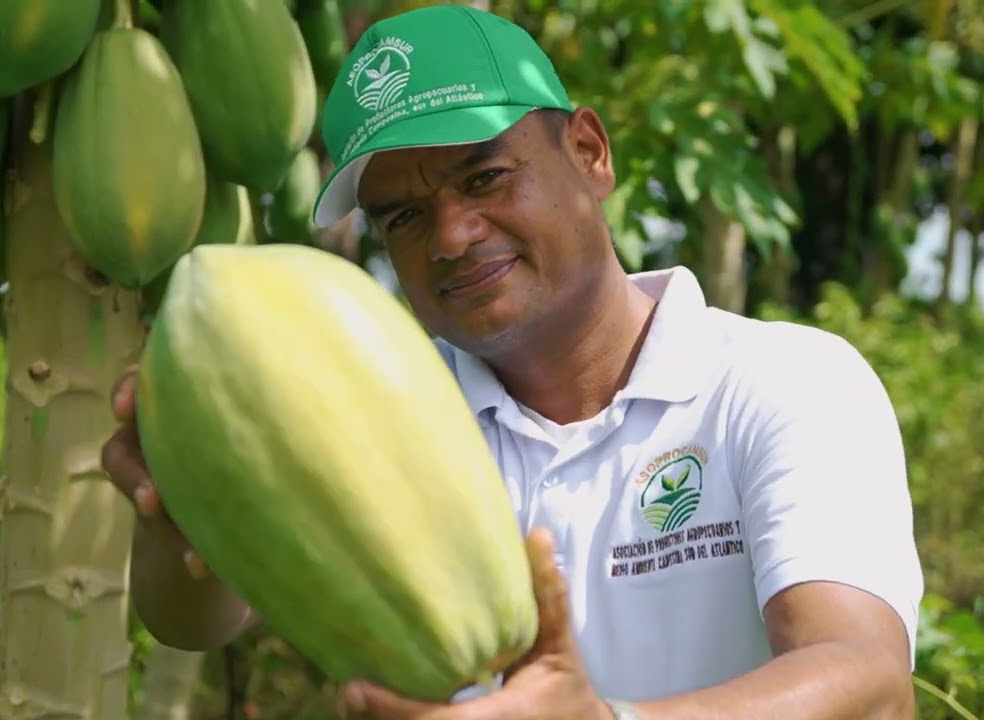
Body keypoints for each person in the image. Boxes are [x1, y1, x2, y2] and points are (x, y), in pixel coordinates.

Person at [100, 5, 924, 719]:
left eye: (485, 177)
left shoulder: (783, 382)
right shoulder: (378, 406)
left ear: (591, 152)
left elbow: (869, 684)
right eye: (406, 218)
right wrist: (179, 512)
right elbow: (197, 620)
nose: (453, 236)